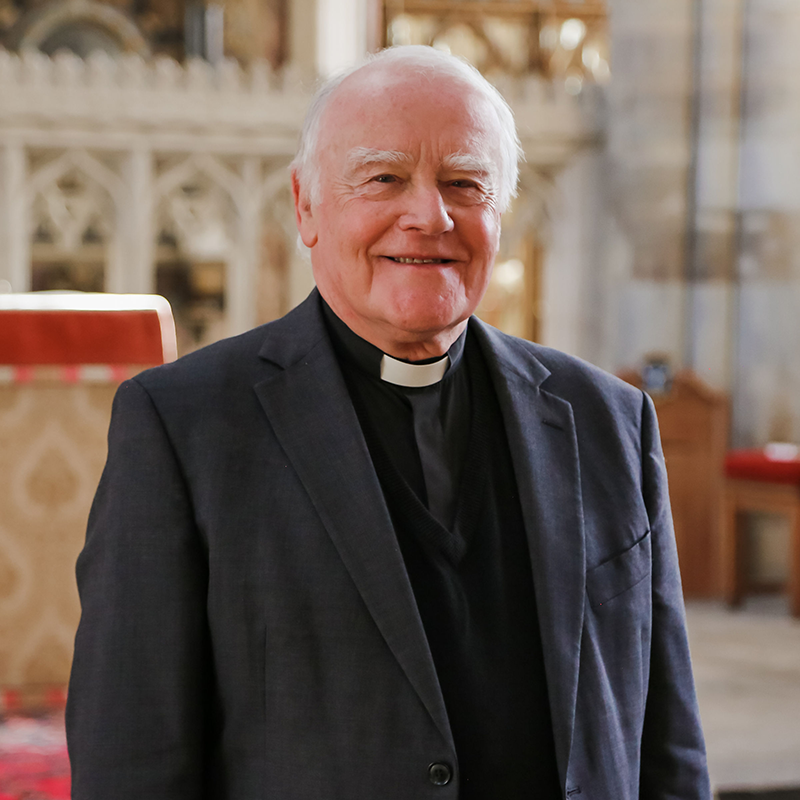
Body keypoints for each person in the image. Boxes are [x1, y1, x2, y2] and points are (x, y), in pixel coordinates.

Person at [67, 45, 711, 800]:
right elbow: (132, 760)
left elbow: (668, 747)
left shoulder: (610, 421)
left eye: (464, 183)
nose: (429, 215)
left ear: (500, 212)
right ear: (306, 206)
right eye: (384, 179)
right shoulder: (185, 429)